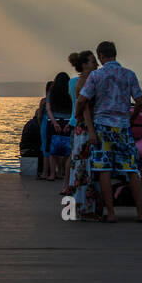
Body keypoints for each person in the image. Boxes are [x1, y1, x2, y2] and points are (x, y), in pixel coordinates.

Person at [77, 40, 142, 223]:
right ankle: (140, 212)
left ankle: (110, 213)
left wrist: (78, 114)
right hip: (123, 127)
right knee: (132, 169)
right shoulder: (129, 74)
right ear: (115, 54)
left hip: (102, 127)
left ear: (101, 56)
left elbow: (82, 99)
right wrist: (131, 119)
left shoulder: (96, 76)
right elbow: (139, 101)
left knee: (104, 170)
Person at [63, 51, 100, 217]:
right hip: (85, 128)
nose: (96, 64)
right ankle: (81, 207)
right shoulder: (83, 83)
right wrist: (92, 131)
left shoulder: (82, 81)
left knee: (80, 166)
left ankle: (80, 206)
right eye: (93, 61)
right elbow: (84, 109)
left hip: (81, 127)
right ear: (84, 64)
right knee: (83, 167)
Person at [43, 72, 72, 181]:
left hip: (53, 122)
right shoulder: (70, 92)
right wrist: (69, 123)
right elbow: (74, 107)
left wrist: (54, 122)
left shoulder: (52, 92)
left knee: (53, 150)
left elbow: (48, 109)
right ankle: (62, 172)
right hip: (67, 122)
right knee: (67, 149)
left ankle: (52, 174)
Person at [19, 111, 44, 177]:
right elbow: (39, 141)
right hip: (32, 150)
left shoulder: (30, 122)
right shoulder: (38, 124)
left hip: (25, 149)